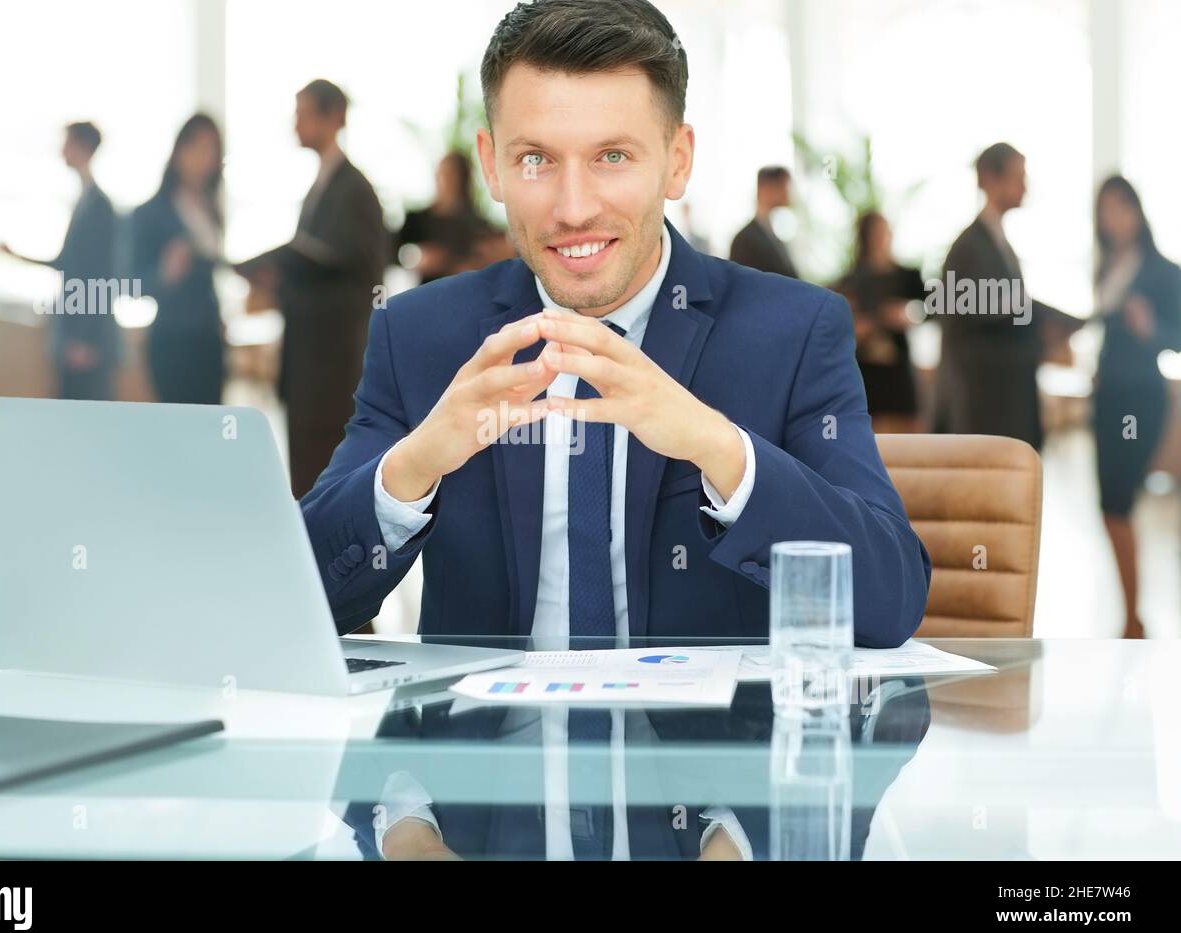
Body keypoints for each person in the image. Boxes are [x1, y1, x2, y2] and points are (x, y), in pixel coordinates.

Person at [301, 0, 930, 859]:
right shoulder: (423, 337)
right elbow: (299, 611)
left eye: (613, 157)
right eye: (535, 159)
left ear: (677, 160)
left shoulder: (792, 332)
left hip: (718, 789)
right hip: (482, 796)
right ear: (491, 163)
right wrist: (417, 462)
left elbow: (890, 597)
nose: (572, 207)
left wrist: (716, 446)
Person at [238, 80, 385, 497]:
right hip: (309, 360)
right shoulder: (321, 186)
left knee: (323, 480)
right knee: (305, 472)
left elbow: (363, 277)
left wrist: (293, 277)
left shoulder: (353, 190)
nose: (295, 124)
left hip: (330, 366)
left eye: (302, 113)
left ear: (331, 117)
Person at [934, 142, 1073, 451]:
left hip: (1005, 399)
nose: (1025, 186)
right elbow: (969, 329)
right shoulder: (970, 247)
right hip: (986, 407)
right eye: (1017, 176)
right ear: (990, 178)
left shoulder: (996, 241)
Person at [1090, 176, 1181, 639]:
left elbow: (1178, 338)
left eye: (1119, 207)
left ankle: (1132, 617)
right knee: (1109, 504)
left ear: (1136, 210)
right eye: (1104, 209)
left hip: (1140, 400)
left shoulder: (1164, 271)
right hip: (1106, 398)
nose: (1112, 217)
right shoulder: (1106, 266)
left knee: (1120, 501)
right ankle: (1132, 613)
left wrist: (1150, 330)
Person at [2, 121, 120, 400]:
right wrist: (17, 256)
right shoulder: (83, 200)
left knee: (85, 412)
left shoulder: (99, 206)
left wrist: (87, 339)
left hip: (85, 336)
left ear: (83, 147)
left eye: (66, 143)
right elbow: (68, 263)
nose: (61, 151)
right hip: (72, 326)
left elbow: (102, 275)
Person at [130, 113, 226, 405]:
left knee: (211, 435)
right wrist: (165, 274)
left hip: (209, 341)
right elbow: (131, 284)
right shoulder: (150, 213)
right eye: (196, 147)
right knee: (178, 435)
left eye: (212, 149)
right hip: (173, 341)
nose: (204, 158)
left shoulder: (212, 210)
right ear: (178, 150)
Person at [835, 211, 926, 432]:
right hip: (867, 373)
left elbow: (929, 308)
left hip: (898, 369)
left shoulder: (907, 276)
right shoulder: (851, 280)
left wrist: (907, 313)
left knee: (909, 433)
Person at [396, 150, 510, 284]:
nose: (445, 180)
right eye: (442, 174)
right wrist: (417, 257)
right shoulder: (416, 221)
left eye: (451, 175)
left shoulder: (479, 226)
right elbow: (394, 255)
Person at [728, 166, 797, 277]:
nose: (789, 192)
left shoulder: (773, 233)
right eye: (785, 186)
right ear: (766, 188)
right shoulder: (744, 240)